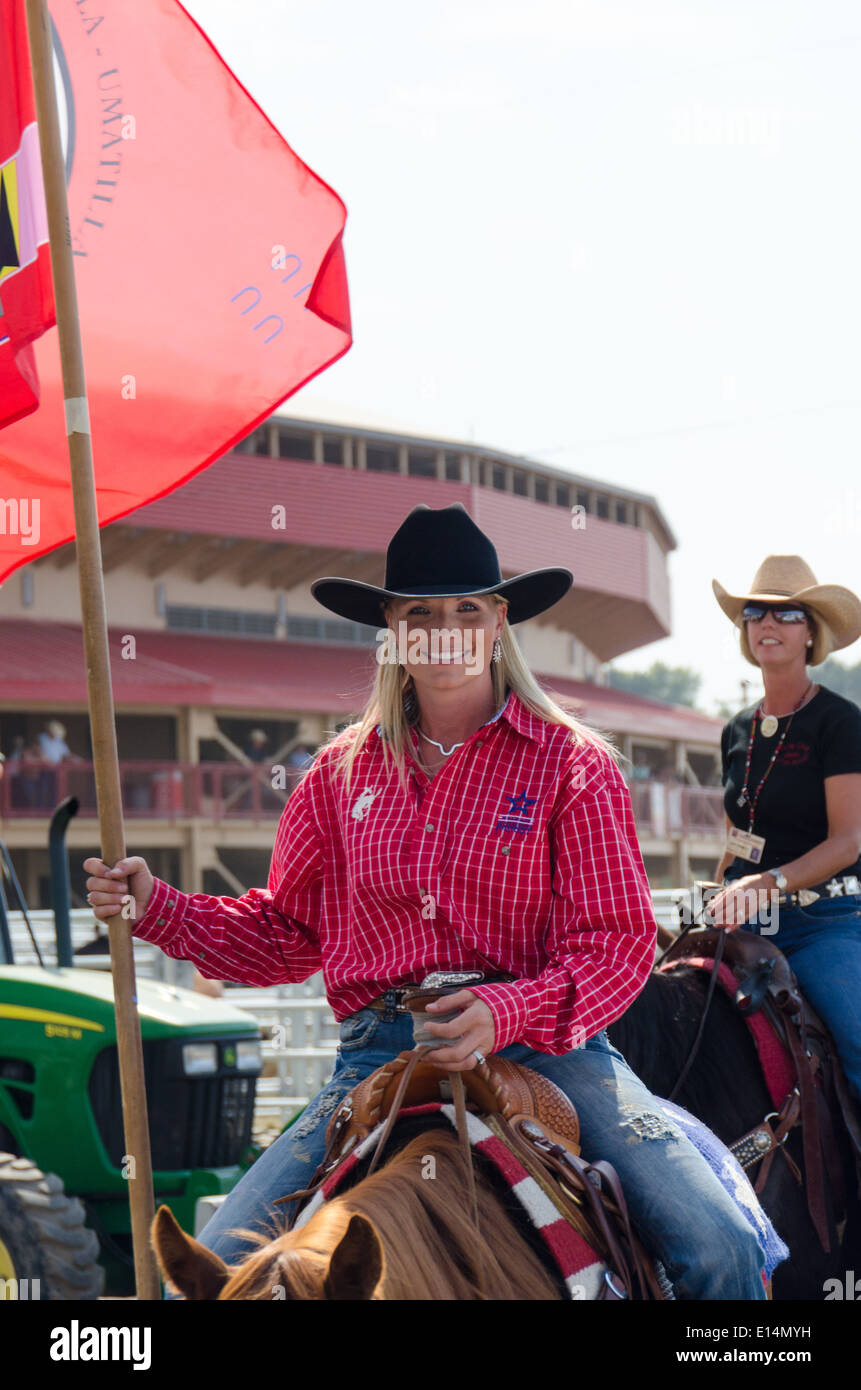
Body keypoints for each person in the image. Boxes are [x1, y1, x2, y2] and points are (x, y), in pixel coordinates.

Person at [84, 503, 767, 1299]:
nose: (443, 627)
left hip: (550, 1050)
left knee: (717, 1244)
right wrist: (156, 905)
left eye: (465, 608)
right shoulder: (336, 779)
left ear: (497, 621)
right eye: (419, 611)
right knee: (194, 1286)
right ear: (390, 628)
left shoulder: (572, 765)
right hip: (379, 1053)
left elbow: (614, 946)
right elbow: (285, 935)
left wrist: (503, 1011)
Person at [708, 555, 861, 1102]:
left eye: (786, 614)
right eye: (755, 613)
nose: (766, 624)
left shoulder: (840, 722)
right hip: (747, 920)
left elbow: (848, 842)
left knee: (859, 1042)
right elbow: (737, 834)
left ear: (812, 633)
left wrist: (764, 884)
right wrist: (720, 887)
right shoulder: (734, 728)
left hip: (823, 921)